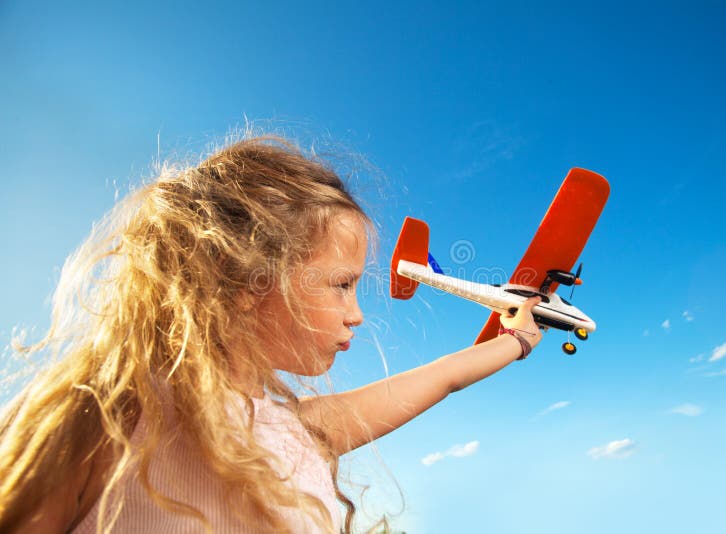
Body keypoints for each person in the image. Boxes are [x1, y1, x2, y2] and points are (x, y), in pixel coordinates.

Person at [0, 136, 541, 533]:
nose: (357, 315)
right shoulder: (105, 418)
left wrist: (514, 342)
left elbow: (442, 377)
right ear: (243, 282)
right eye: (342, 285)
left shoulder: (295, 430)